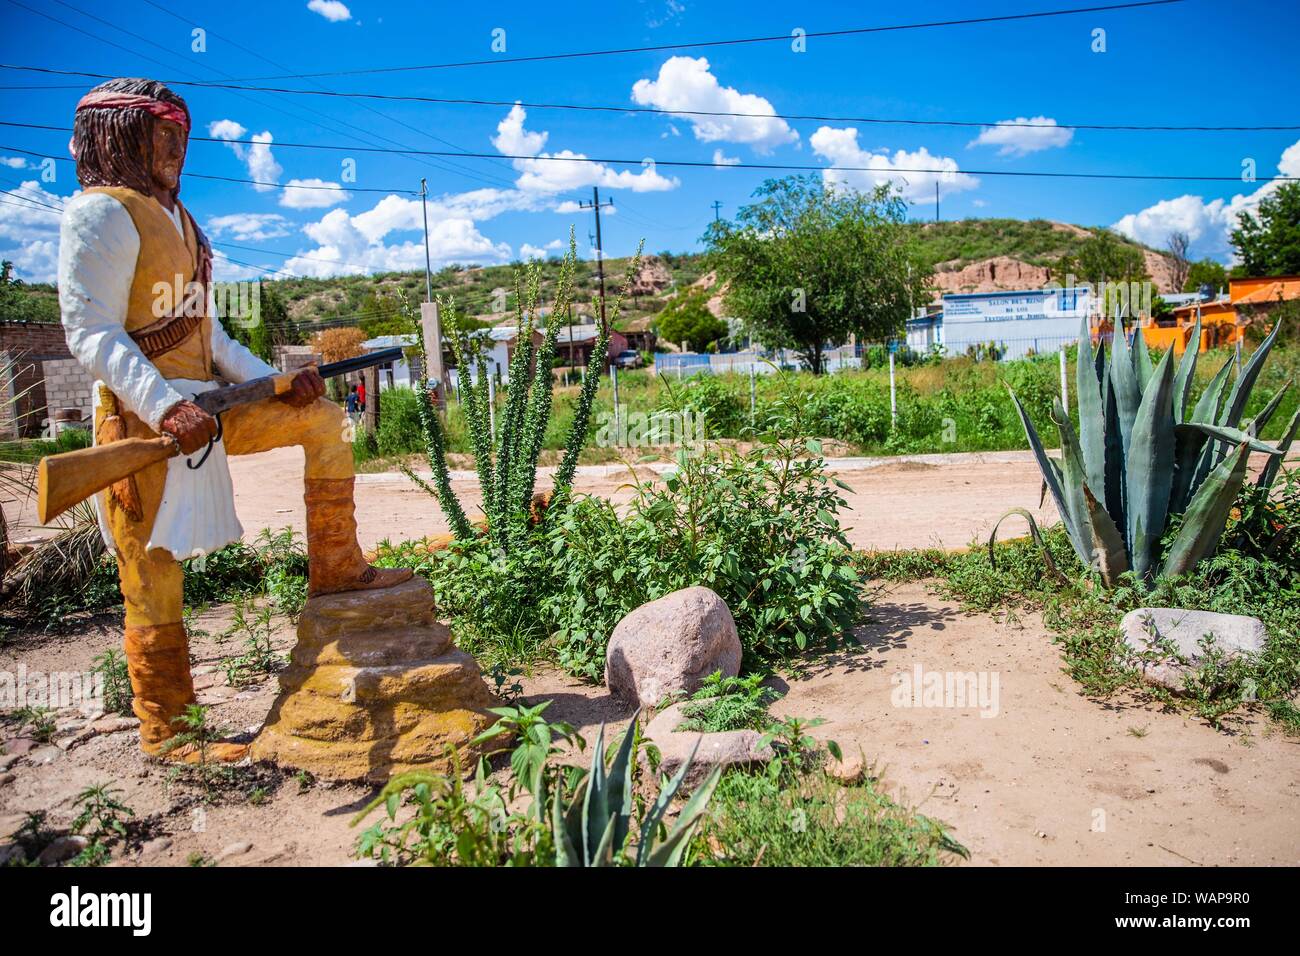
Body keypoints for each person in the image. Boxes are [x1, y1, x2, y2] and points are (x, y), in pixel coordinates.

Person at [58, 77, 412, 764]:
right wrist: (164, 404)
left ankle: (336, 564)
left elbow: (210, 338)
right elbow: (92, 333)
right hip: (142, 420)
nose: (176, 150)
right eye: (161, 135)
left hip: (208, 408)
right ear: (119, 137)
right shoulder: (99, 214)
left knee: (320, 421)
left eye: (180, 137)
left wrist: (274, 384)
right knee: (153, 569)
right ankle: (168, 732)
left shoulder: (183, 223)